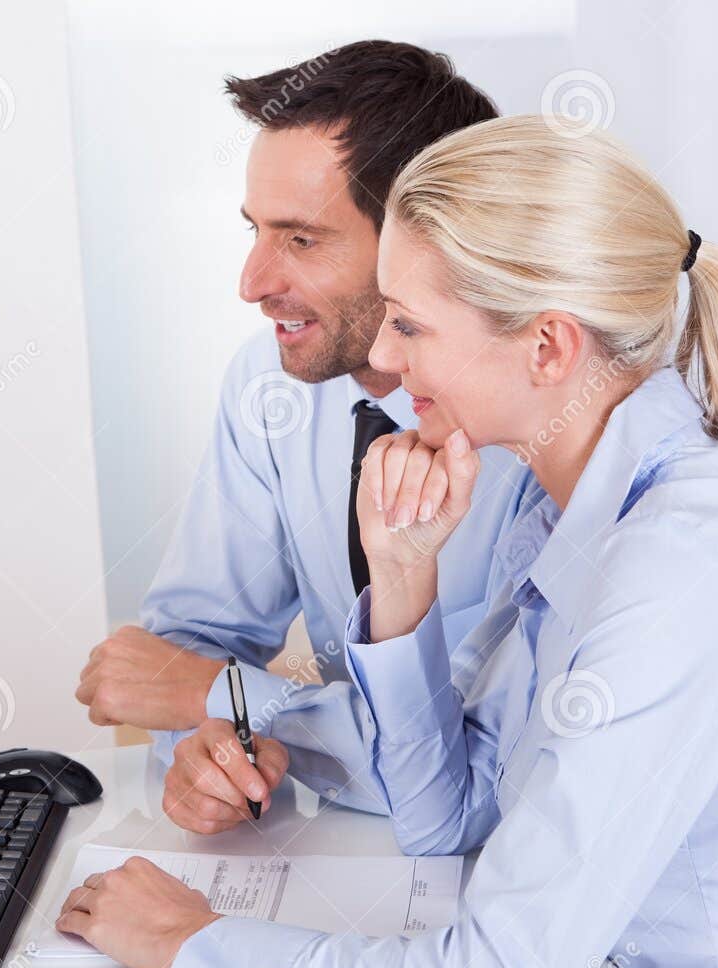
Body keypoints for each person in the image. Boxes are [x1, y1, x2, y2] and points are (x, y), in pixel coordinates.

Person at [55, 115, 718, 968]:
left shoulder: (680, 571)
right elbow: (447, 815)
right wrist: (401, 578)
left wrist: (193, 942)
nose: (383, 356)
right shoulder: (560, 512)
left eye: (411, 324)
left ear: (548, 348)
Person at [74, 41, 532, 831]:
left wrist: (226, 693)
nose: (251, 283)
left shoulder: (536, 421)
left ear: (420, 240)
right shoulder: (267, 387)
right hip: (353, 855)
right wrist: (211, 743)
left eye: (301, 239)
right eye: (254, 229)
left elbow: (474, 765)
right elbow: (180, 651)